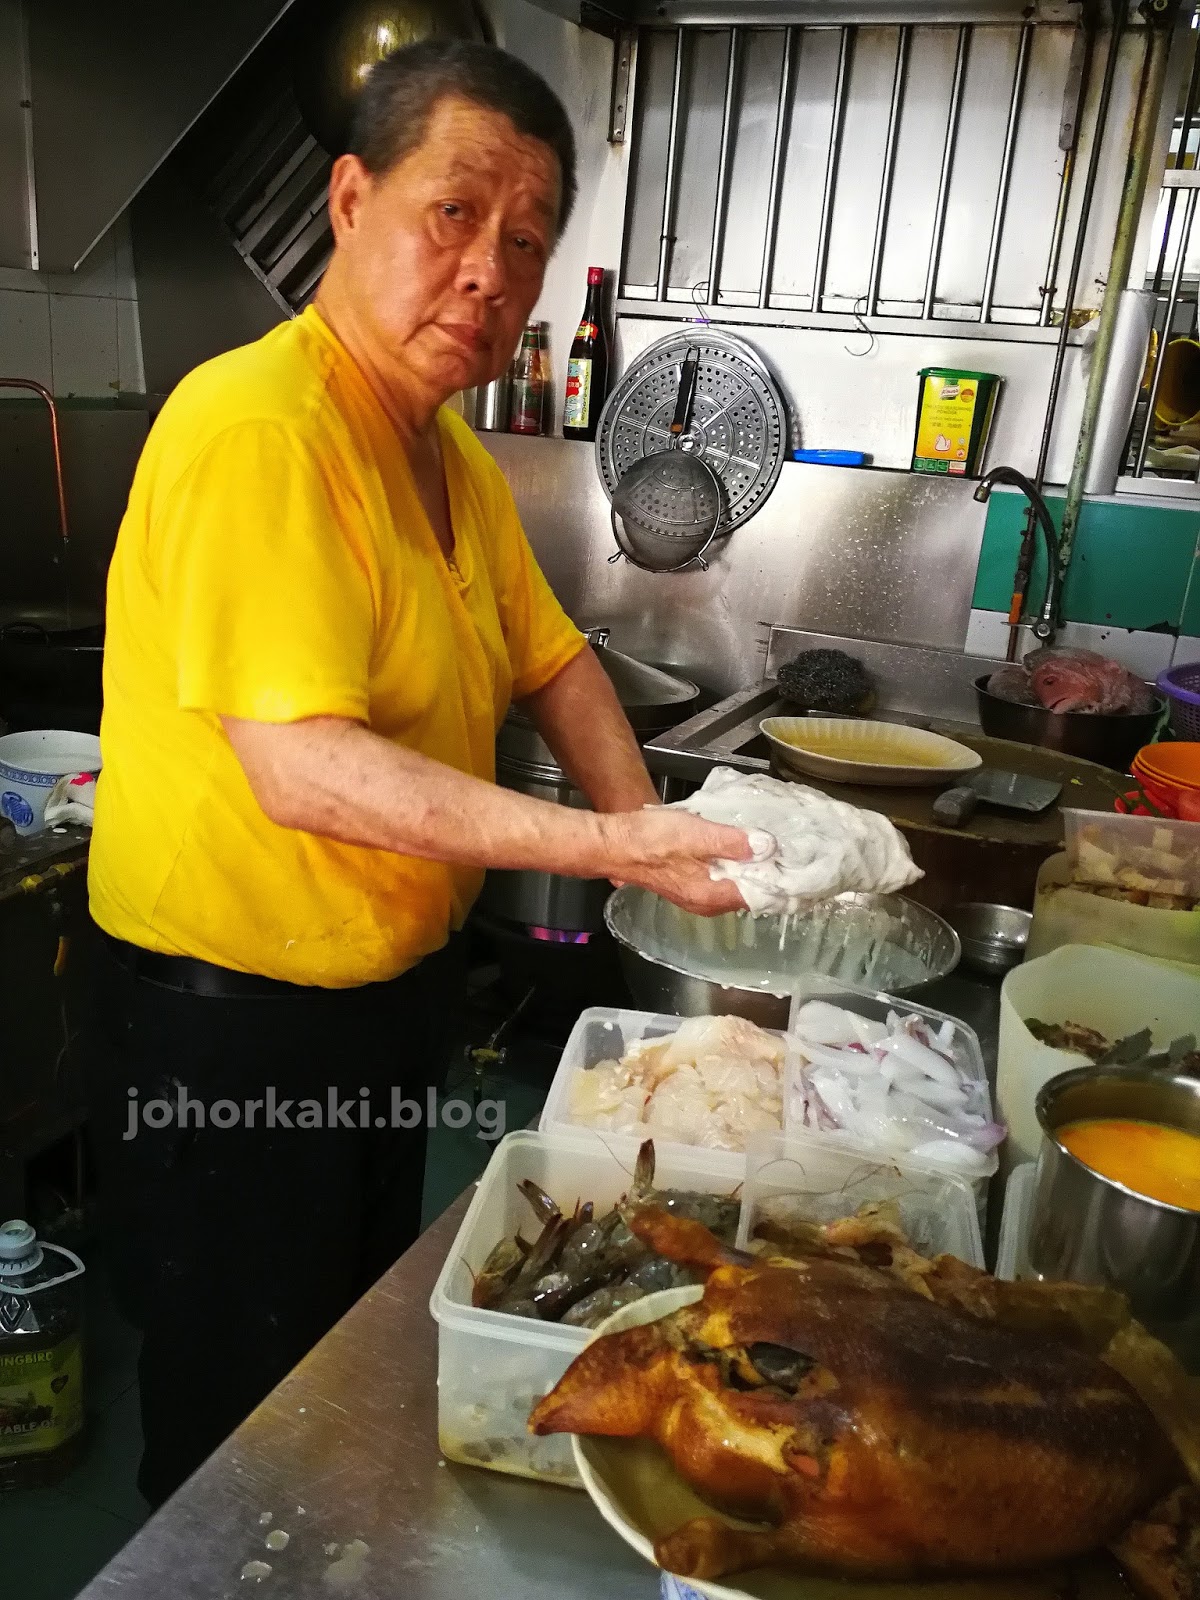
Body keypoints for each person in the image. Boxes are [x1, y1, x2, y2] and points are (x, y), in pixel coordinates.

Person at [84, 38, 752, 1506]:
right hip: (234, 1044)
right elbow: (308, 773)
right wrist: (612, 856)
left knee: (333, 1377)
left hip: (378, 1013)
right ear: (349, 196)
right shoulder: (266, 430)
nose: (490, 276)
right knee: (235, 1430)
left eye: (527, 243)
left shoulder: (442, 458)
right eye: (454, 215)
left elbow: (558, 662)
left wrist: (652, 834)